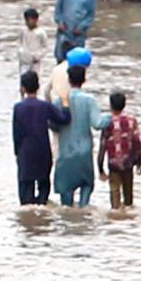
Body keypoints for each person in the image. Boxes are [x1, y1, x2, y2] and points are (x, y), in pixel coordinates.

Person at [52, 61, 111, 205]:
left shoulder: (59, 102)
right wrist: (111, 117)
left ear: (68, 80)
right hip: (84, 153)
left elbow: (53, 126)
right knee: (86, 188)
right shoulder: (89, 101)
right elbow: (98, 124)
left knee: (66, 199)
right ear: (84, 80)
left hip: (66, 153)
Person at [10, 69, 70, 205]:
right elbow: (64, 119)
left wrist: (17, 153)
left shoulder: (18, 108)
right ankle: (42, 211)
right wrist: (65, 103)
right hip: (43, 151)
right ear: (38, 87)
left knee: (26, 191)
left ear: (23, 88)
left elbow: (16, 133)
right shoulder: (45, 106)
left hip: (25, 153)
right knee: (43, 185)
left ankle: (29, 220)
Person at [100, 88, 141, 208]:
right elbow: (137, 142)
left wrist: (100, 168)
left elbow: (103, 145)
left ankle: (115, 219)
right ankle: (127, 220)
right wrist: (139, 163)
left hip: (113, 165)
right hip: (128, 163)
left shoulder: (107, 122)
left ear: (110, 105)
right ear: (124, 105)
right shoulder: (132, 121)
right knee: (128, 198)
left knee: (115, 196)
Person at [18, 5, 54, 83]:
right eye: (26, 20)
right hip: (24, 60)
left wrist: (38, 56)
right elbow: (21, 43)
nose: (27, 22)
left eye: (29, 20)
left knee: (35, 81)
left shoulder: (41, 33)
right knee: (23, 81)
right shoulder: (23, 31)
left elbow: (45, 47)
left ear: (35, 20)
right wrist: (21, 53)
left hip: (35, 61)